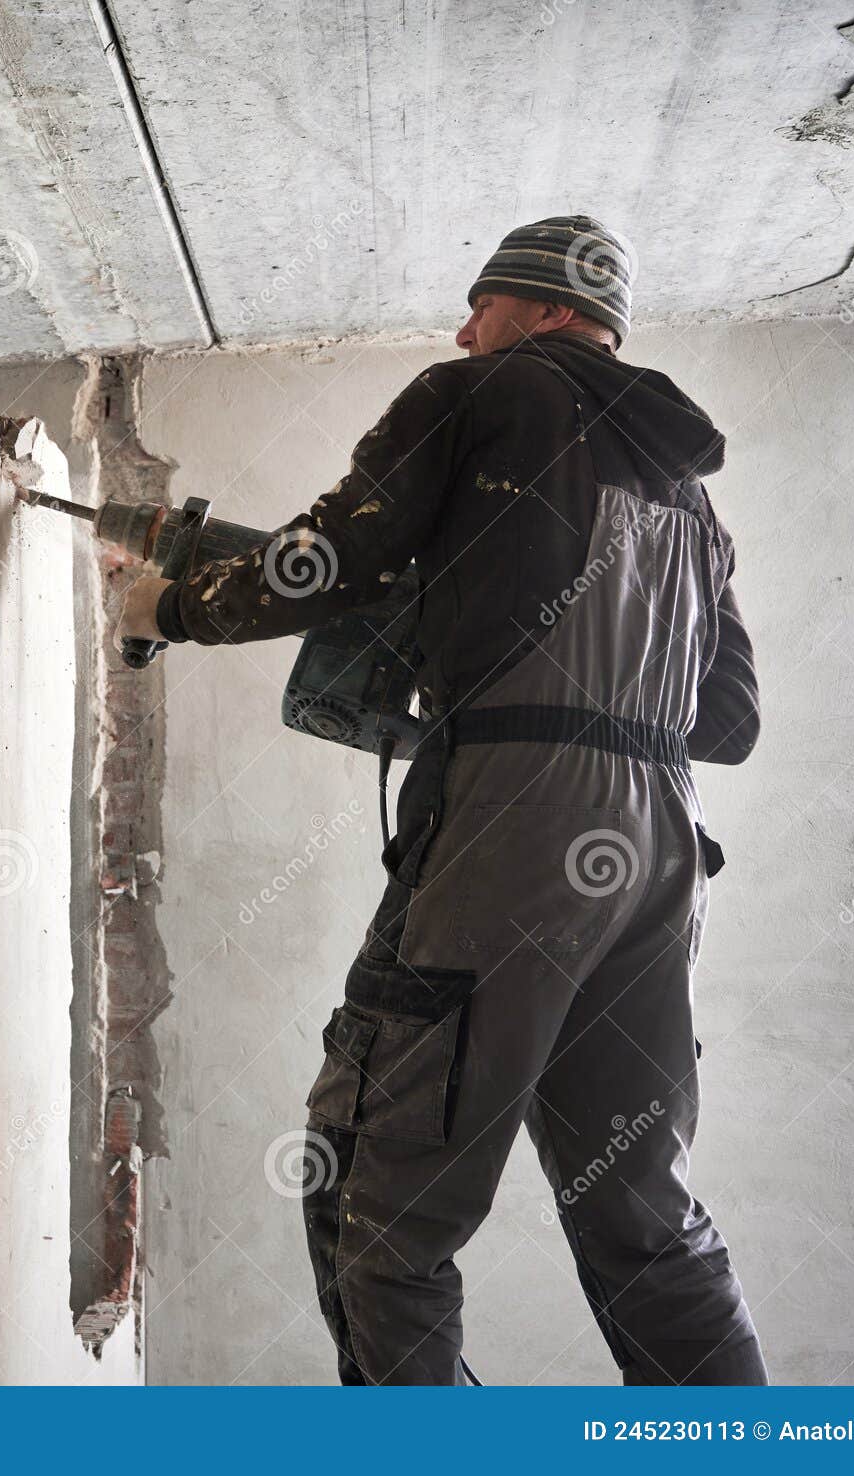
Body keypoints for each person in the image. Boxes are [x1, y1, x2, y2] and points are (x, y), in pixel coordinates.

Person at [114, 216, 767, 1385]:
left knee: (380, 1204)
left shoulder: (480, 390)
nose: (465, 330)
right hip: (660, 854)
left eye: (485, 306)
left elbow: (326, 560)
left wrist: (164, 609)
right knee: (639, 1215)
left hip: (516, 832)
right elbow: (727, 724)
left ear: (549, 314)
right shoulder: (693, 496)